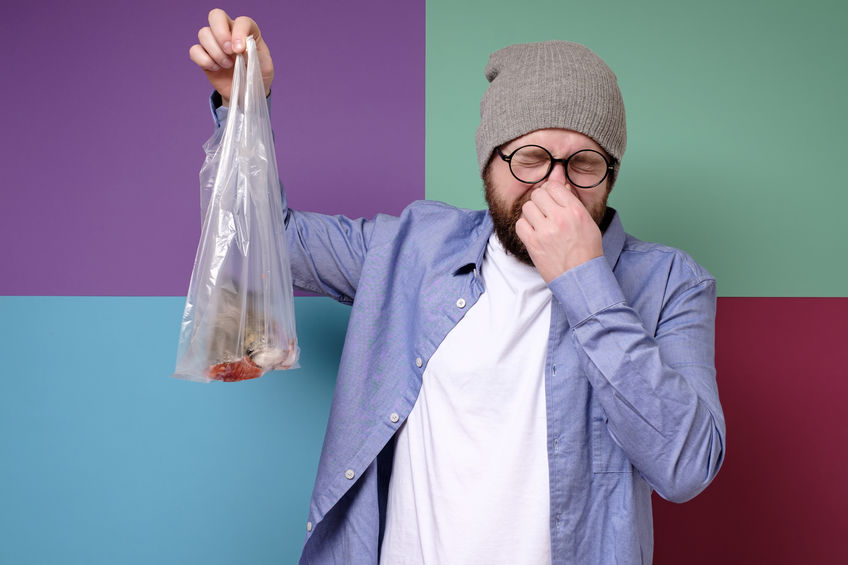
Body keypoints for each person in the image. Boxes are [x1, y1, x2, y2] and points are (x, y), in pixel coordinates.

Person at [190, 9, 725, 565]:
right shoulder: (414, 248)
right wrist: (243, 108)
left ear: (611, 174)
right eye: (532, 158)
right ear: (488, 164)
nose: (556, 186)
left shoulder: (670, 283)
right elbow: (258, 243)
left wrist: (584, 281)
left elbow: (686, 467)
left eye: (584, 163)